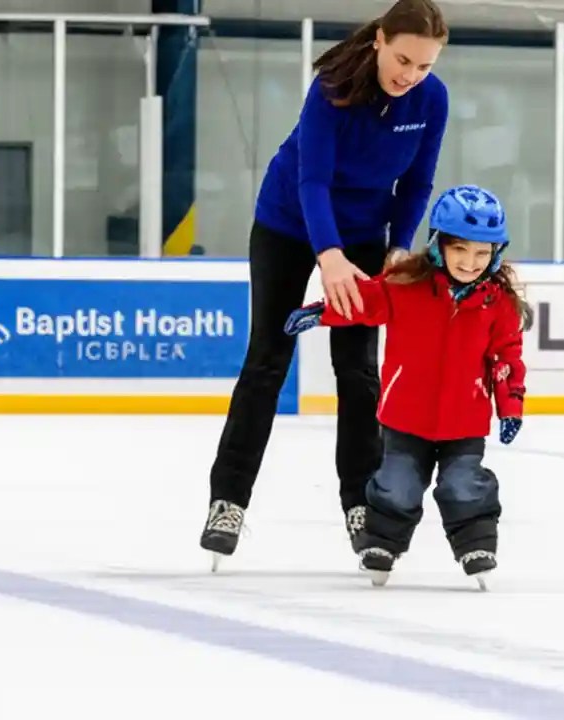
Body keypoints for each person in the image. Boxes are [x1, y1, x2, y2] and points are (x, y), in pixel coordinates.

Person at [200, 0, 451, 566]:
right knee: (267, 358)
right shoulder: (333, 86)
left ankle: (362, 506)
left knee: (359, 371)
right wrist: (329, 256)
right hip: (290, 222)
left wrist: (396, 246)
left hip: (365, 232)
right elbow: (312, 180)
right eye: (403, 59)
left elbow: (417, 181)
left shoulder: (431, 100)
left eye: (424, 66)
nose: (409, 75)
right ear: (380, 40)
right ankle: (227, 501)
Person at [282, 185, 528, 589]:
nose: (471, 263)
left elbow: (506, 359)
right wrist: (321, 312)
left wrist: (511, 407)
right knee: (396, 483)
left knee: (463, 483)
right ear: (438, 246)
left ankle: (476, 544)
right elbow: (364, 302)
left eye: (483, 254)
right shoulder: (404, 284)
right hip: (405, 417)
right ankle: (380, 545)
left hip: (464, 419)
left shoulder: (496, 303)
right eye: (461, 250)